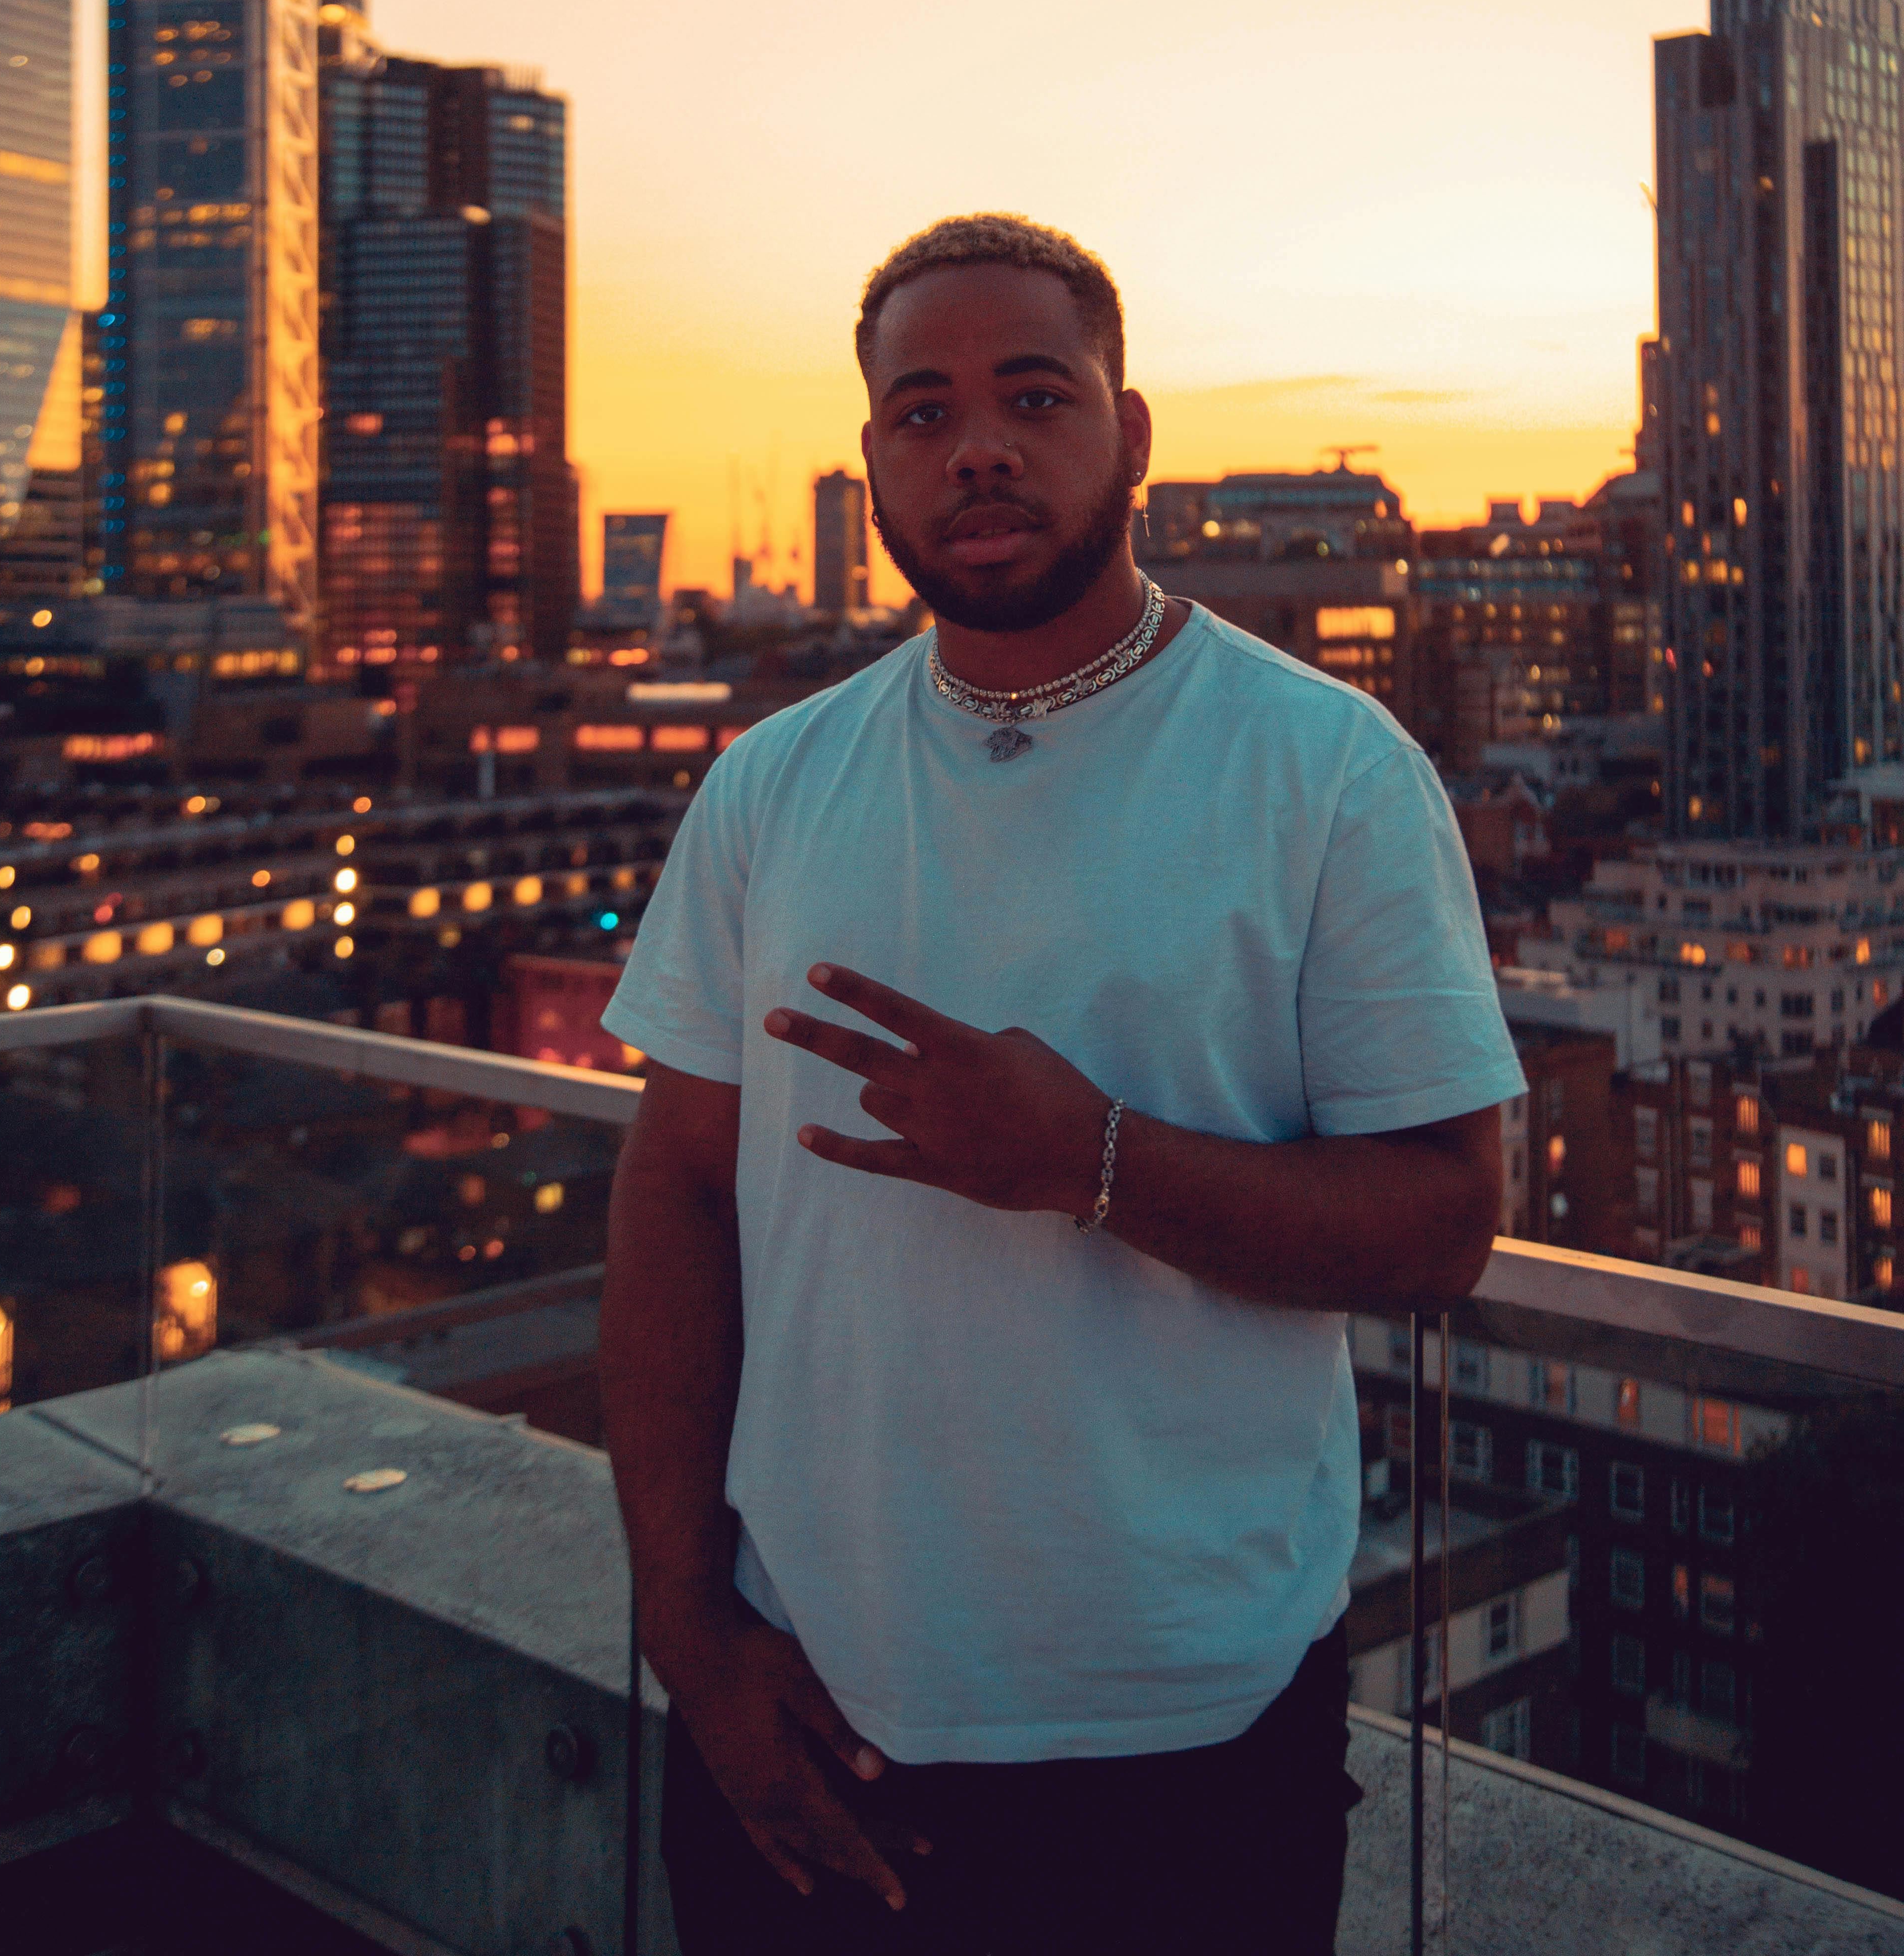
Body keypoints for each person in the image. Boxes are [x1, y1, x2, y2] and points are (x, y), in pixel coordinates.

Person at [598, 212, 1524, 1956]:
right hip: (806, 1699)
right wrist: (687, 1631)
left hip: (1186, 1738)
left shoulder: (1328, 769)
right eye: (924, 412)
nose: (982, 450)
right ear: (872, 458)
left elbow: (1445, 1224)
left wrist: (1090, 1159)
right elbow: (678, 1194)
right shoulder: (770, 784)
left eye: (1035, 395)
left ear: (1132, 431)